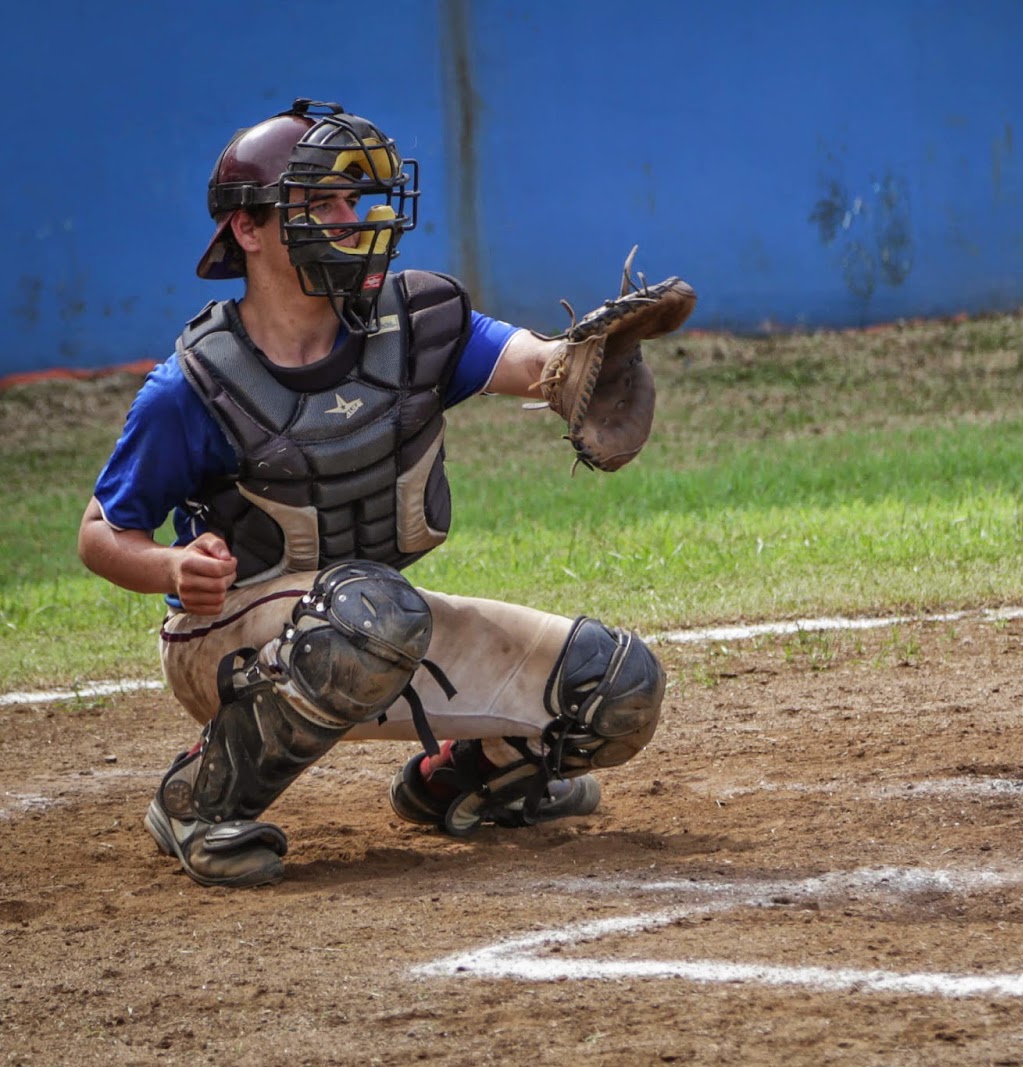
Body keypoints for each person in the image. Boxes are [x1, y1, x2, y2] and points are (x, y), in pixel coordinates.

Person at [76, 99, 695, 889]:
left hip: (377, 620)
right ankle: (200, 798)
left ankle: (459, 784)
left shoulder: (417, 321)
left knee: (615, 687)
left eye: (353, 198)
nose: (350, 216)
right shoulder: (193, 386)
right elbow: (100, 532)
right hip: (231, 637)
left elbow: (530, 361)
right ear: (249, 228)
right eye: (320, 201)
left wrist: (577, 365)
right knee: (372, 611)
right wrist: (168, 568)